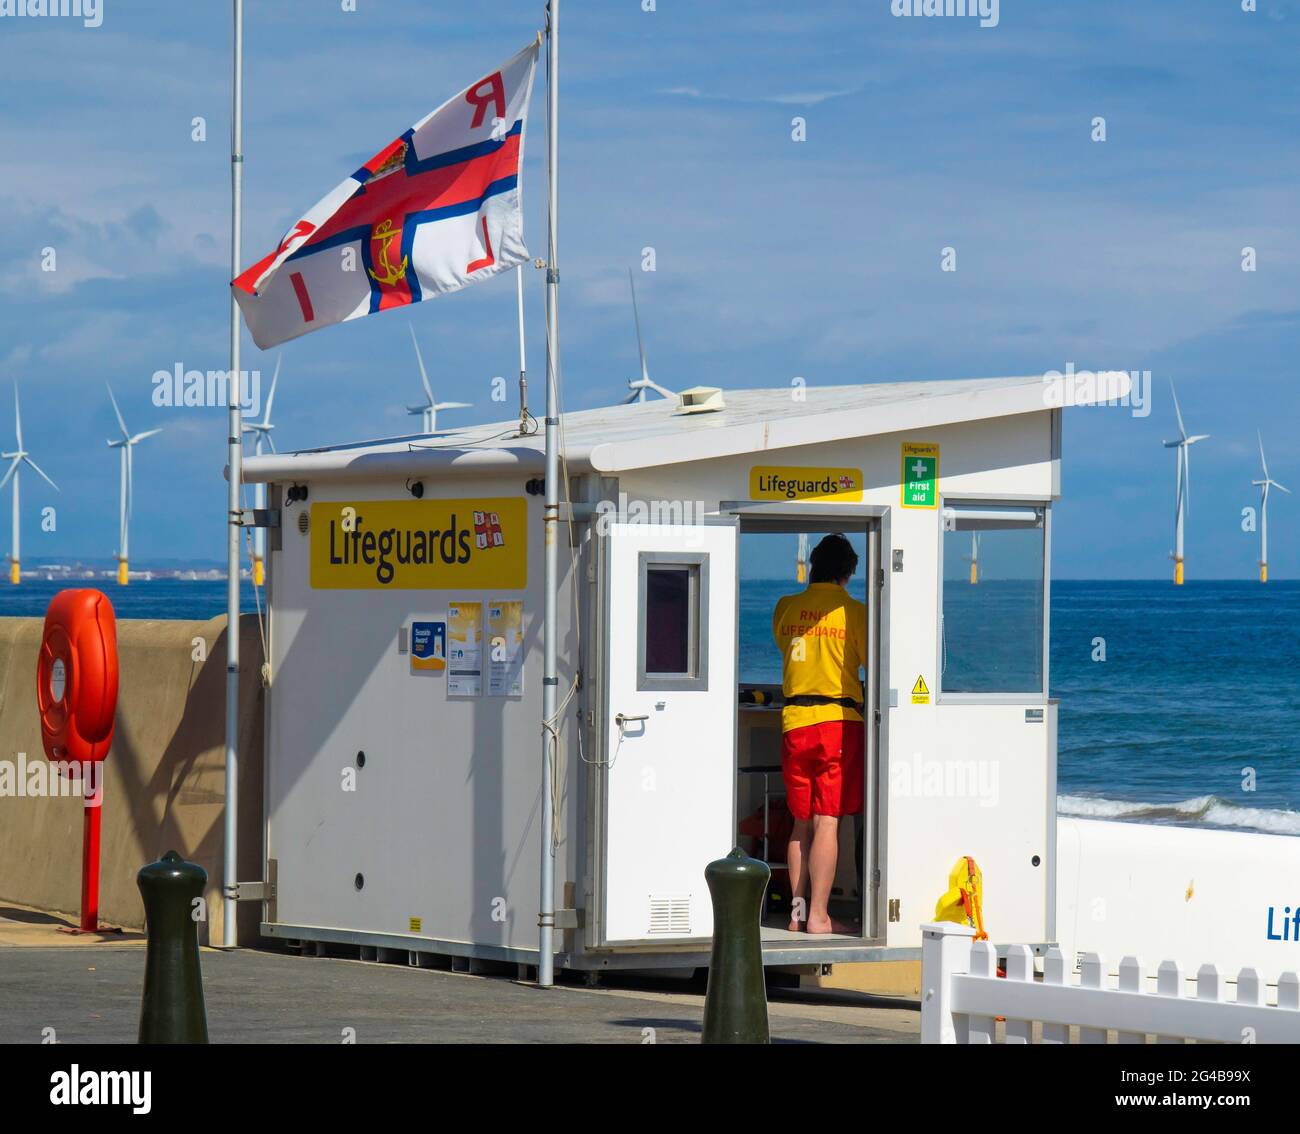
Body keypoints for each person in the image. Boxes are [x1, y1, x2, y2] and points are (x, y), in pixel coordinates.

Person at [771, 533, 866, 934]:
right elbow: (869, 662)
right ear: (848, 573)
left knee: (800, 823)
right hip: (837, 724)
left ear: (812, 566)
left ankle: (795, 913)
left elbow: (785, 646)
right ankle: (820, 916)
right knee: (828, 822)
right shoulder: (854, 611)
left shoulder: (786, 607)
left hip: (794, 721)